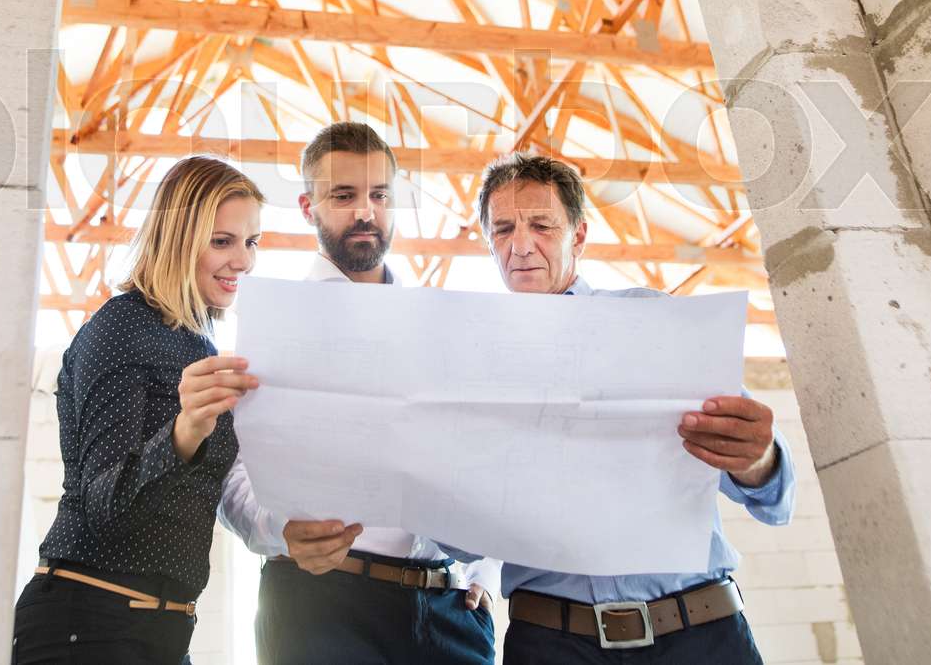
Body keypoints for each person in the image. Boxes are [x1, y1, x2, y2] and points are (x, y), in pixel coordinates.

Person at [478, 152, 793, 664]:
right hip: (552, 643)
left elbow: (771, 495)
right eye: (503, 228)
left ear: (577, 236)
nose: (520, 245)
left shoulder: (653, 321)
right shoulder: (472, 363)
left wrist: (759, 460)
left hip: (699, 633)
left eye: (540, 225)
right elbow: (460, 541)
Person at [219, 122, 499, 664]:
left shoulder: (440, 325)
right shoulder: (271, 326)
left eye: (379, 195)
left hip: (448, 612)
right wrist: (281, 531)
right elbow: (231, 475)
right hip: (321, 608)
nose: (365, 211)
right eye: (343, 196)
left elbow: (488, 454)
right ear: (307, 207)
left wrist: (486, 567)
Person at [13, 156, 265, 665]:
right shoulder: (122, 326)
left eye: (251, 241)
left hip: (163, 631)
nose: (243, 261)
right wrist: (185, 431)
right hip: (87, 625)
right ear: (177, 239)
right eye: (222, 241)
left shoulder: (197, 343)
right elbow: (102, 504)